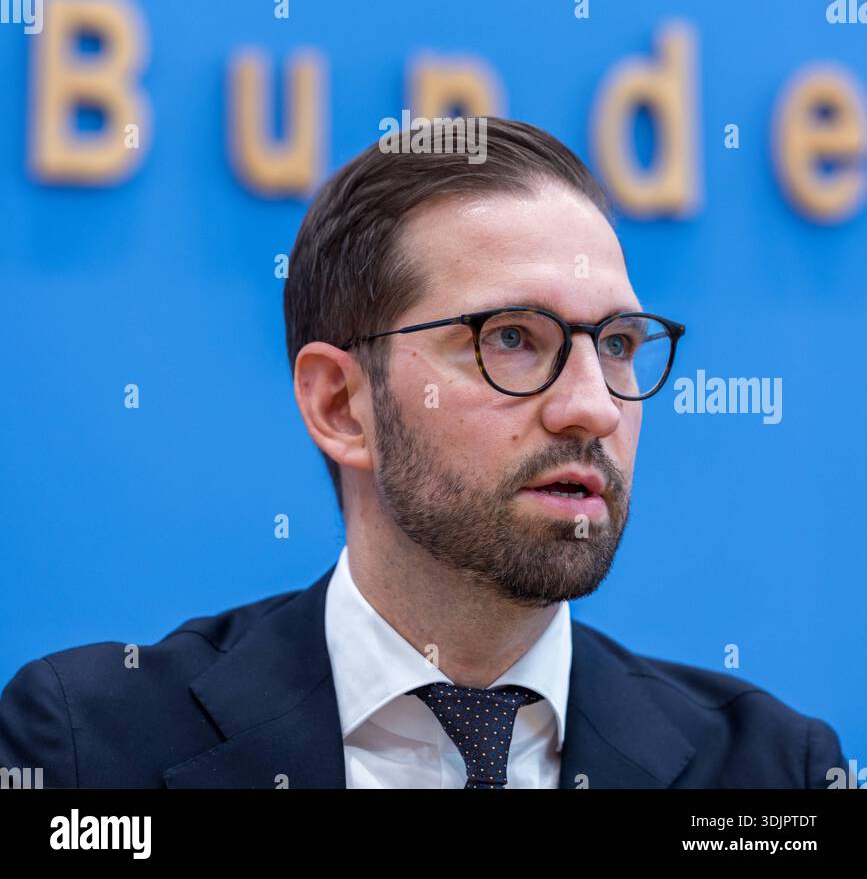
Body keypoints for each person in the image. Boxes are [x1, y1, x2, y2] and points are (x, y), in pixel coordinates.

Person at [0, 119, 846, 788]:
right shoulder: (90, 747)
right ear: (341, 405)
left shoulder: (773, 771)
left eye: (618, 343)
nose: (592, 404)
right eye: (512, 337)